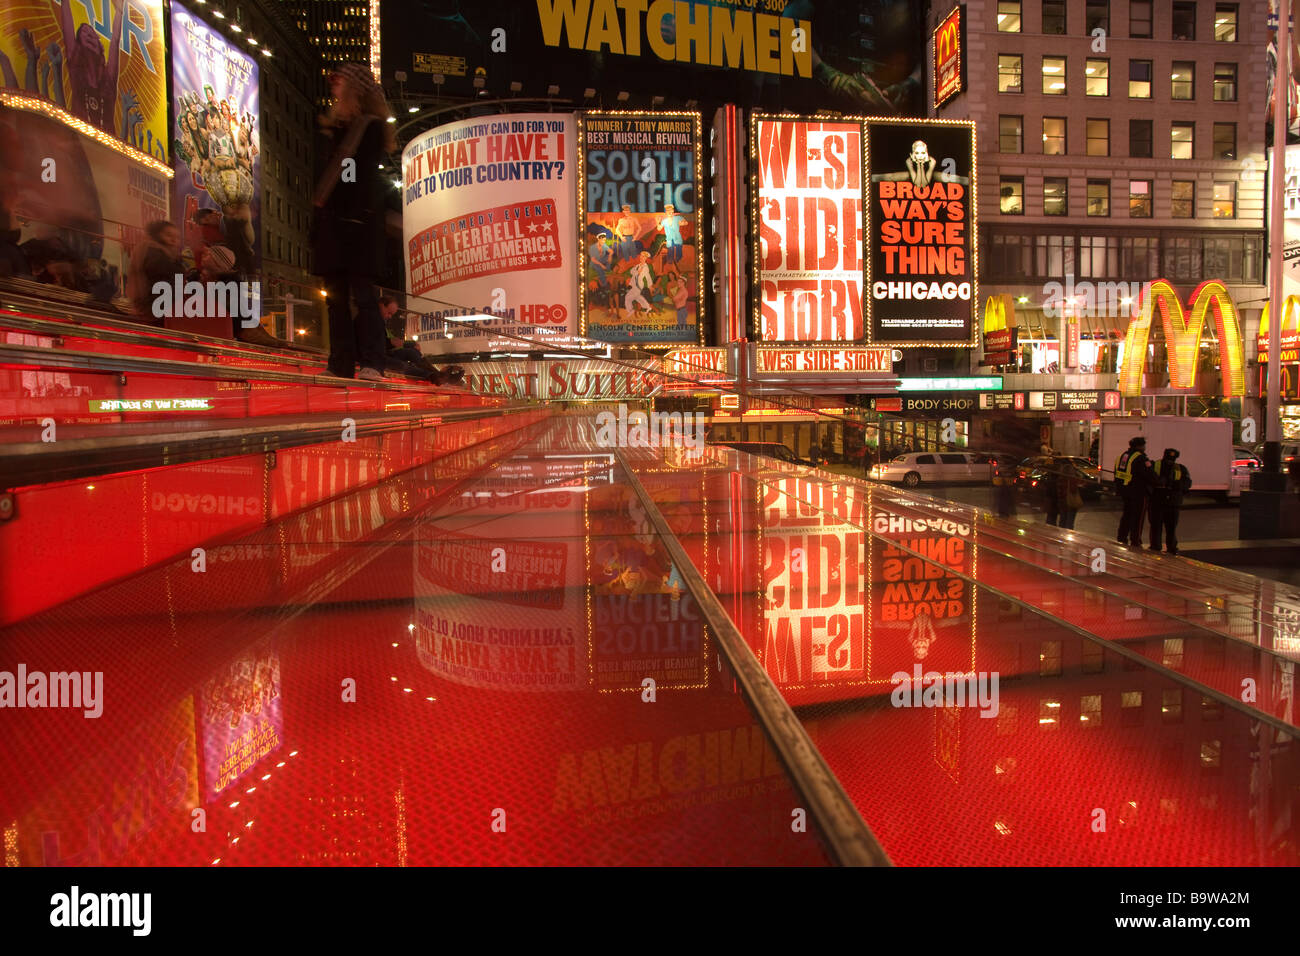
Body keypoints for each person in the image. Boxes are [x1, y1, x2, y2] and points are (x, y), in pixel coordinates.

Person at [312, 63, 394, 381]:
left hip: (357, 227)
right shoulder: (331, 129)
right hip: (333, 227)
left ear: (353, 89)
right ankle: (340, 363)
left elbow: (359, 180)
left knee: (363, 297)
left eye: (339, 81)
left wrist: (353, 216)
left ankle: (373, 362)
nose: (334, 87)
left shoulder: (367, 128)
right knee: (336, 301)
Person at [126, 220, 183, 324]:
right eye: (168, 235)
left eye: (177, 237)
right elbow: (167, 284)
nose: (174, 240)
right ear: (157, 235)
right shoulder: (156, 255)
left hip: (150, 310)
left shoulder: (148, 251)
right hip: (157, 313)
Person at [1149, 448, 1192, 555]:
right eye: (1168, 459)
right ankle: (1155, 547)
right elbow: (1148, 481)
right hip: (1158, 502)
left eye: (1172, 459)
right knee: (1156, 526)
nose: (1169, 461)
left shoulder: (1181, 468)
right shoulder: (1155, 465)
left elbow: (1187, 483)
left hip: (1172, 503)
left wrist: (1178, 485)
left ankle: (1171, 548)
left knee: (1171, 528)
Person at [1114, 435, 1153, 548]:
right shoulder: (1141, 458)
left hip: (1125, 491)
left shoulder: (1122, 456)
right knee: (1138, 518)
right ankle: (1135, 541)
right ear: (1140, 446)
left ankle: (1122, 537)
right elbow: (1149, 475)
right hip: (1138, 492)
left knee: (1126, 515)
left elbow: (1117, 474)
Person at [1055, 463, 1083, 530]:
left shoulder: (1060, 479)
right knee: (1069, 523)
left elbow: (1059, 491)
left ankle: (1061, 535)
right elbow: (1073, 490)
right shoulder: (1072, 479)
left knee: (1062, 521)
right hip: (1070, 503)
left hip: (1062, 502)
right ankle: (1068, 537)